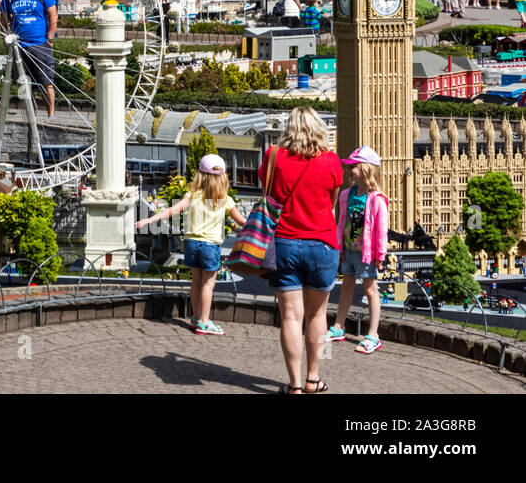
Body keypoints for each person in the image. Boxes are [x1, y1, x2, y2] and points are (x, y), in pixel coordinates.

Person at [259, 106, 342, 393]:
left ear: (288, 129)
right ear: (319, 128)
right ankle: (312, 379)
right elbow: (332, 203)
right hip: (323, 243)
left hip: (283, 243)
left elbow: (268, 192)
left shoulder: (274, 157)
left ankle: (294, 385)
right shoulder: (331, 161)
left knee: (291, 317)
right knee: (317, 316)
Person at [135, 154, 246, 335]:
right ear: (223, 177)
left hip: (191, 244)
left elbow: (173, 210)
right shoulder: (224, 198)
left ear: (200, 175)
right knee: (208, 284)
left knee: (196, 281)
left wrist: (150, 219)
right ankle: (204, 322)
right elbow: (242, 222)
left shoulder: (193, 194)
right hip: (210, 245)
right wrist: (261, 226)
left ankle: (195, 318)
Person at [328, 146, 389, 355]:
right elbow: (341, 222)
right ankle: (338, 326)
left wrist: (380, 255)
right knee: (346, 288)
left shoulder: (377, 198)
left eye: (353, 167)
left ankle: (373, 334)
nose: (349, 170)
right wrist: (339, 247)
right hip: (349, 250)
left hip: (366, 253)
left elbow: (382, 230)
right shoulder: (347, 194)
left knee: (371, 291)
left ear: (365, 169)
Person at [0, 0, 57, 117]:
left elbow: (53, 13)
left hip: (40, 44)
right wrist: (5, 37)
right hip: (19, 47)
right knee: (24, 84)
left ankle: (51, 115)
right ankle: (31, 116)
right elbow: (3, 19)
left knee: (46, 82)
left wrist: (50, 37)